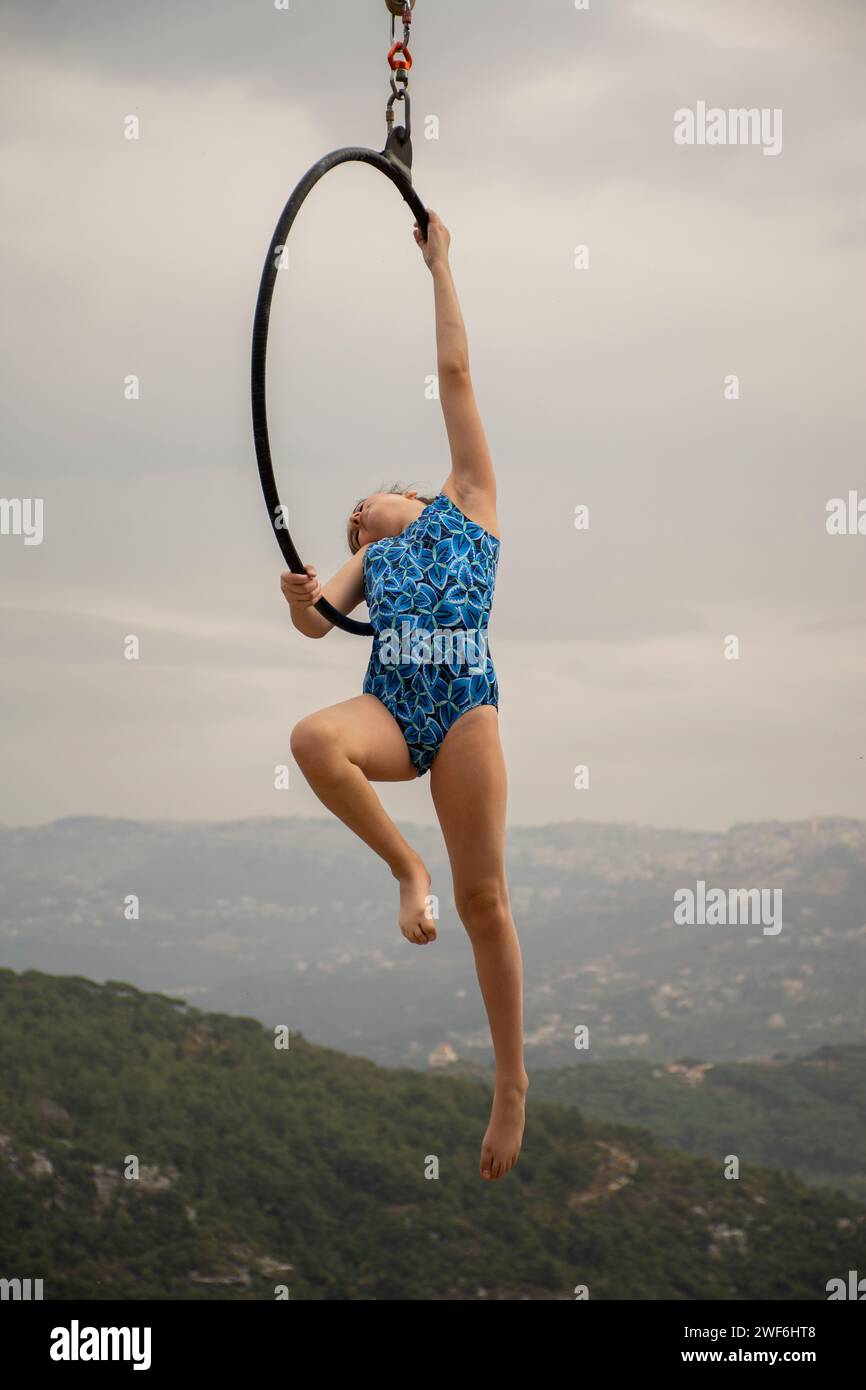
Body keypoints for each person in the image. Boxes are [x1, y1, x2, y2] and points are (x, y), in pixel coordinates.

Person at [281, 211, 527, 1181]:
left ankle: (509, 1079)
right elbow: (315, 623)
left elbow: (456, 374)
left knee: (485, 899)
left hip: (462, 699)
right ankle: (400, 867)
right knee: (310, 739)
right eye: (349, 527)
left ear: (407, 491)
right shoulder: (370, 557)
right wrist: (304, 597)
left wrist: (439, 265)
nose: (353, 521)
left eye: (362, 507)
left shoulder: (464, 502)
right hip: (390, 704)